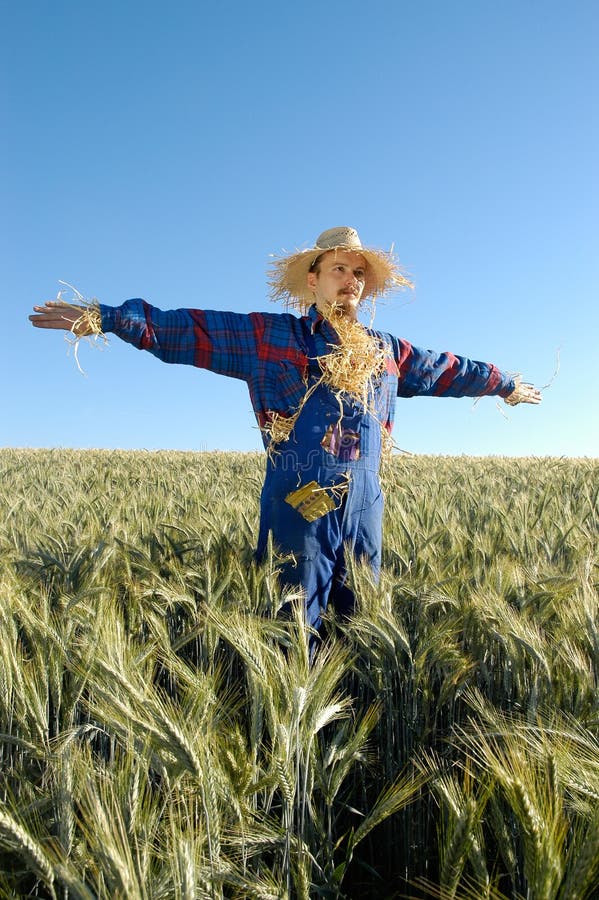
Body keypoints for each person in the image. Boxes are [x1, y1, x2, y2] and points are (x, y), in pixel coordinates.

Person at [30, 226, 541, 651]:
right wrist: (109, 319)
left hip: (366, 506)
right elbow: (191, 330)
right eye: (339, 269)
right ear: (313, 279)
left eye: (358, 273)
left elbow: (447, 370)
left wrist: (505, 384)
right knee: (295, 627)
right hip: (299, 502)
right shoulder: (273, 339)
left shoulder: (387, 351)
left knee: (363, 623)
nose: (350, 281)